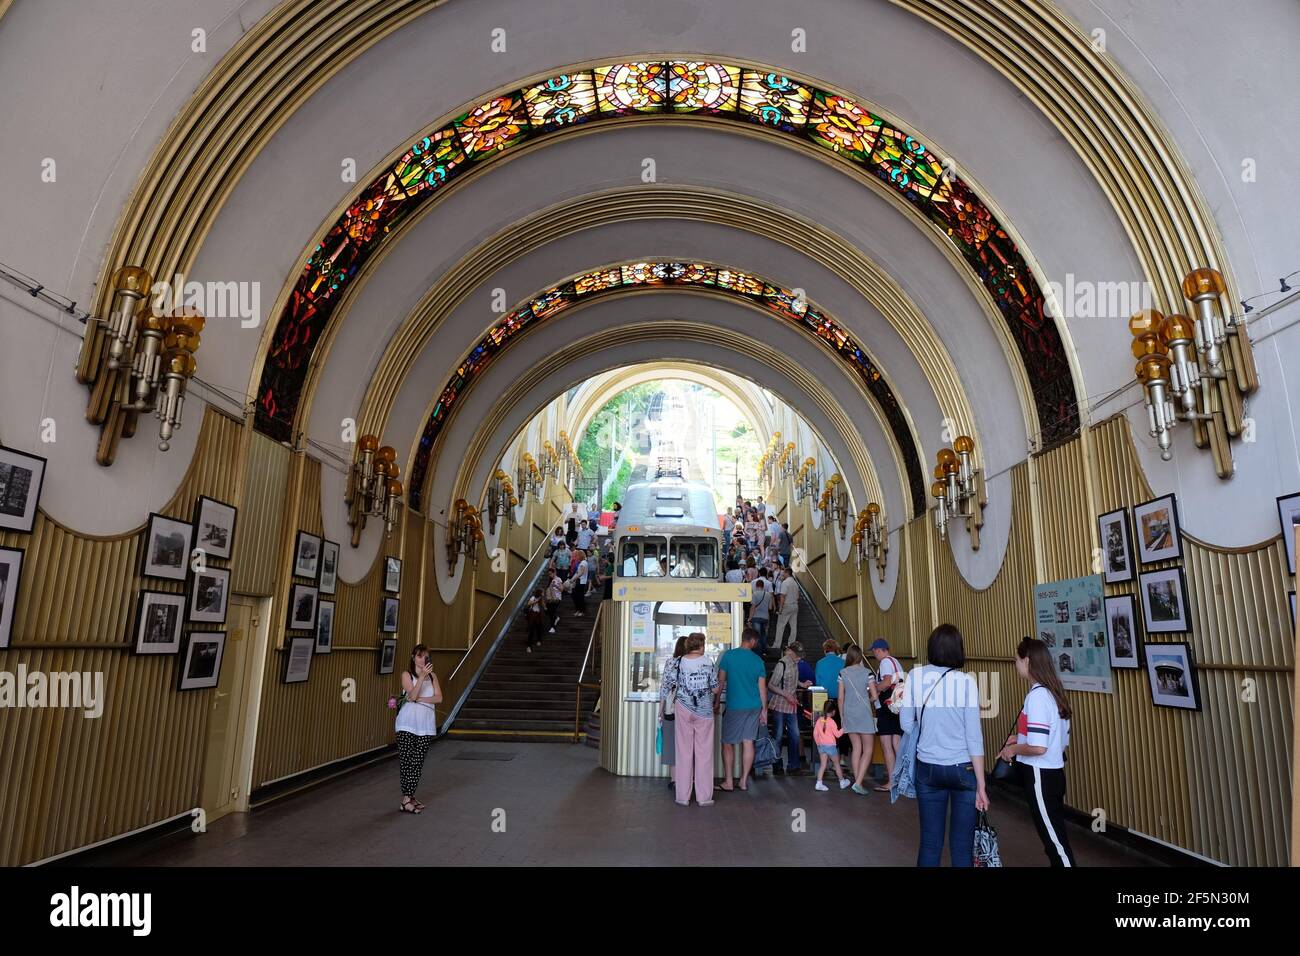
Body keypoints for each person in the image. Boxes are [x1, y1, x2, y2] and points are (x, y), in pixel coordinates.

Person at [900, 624, 989, 867]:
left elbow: (906, 722)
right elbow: (974, 736)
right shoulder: (966, 682)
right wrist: (981, 783)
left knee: (930, 843)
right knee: (961, 848)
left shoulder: (915, 676)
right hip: (963, 770)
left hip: (927, 768)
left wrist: (927, 730)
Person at [999, 637, 1076, 867]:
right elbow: (1055, 740)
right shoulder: (1053, 693)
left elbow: (1039, 747)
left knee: (1055, 844)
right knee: (1054, 838)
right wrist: (1020, 738)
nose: (1015, 664)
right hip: (1054, 773)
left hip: (1041, 776)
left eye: (1017, 660)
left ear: (1027, 660)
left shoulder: (1037, 697)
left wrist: (1012, 748)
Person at [660, 632, 719, 806]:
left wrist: (660, 709)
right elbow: (715, 689)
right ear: (701, 645)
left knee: (683, 752)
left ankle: (682, 797)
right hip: (704, 712)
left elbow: (665, 687)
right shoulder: (708, 663)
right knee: (704, 754)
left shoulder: (675, 662)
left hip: (683, 710)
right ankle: (704, 797)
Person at [717, 627, 768, 792]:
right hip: (754, 706)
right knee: (748, 742)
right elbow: (762, 689)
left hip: (735, 706)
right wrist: (764, 711)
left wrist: (716, 701)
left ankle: (729, 781)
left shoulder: (729, 656)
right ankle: (744, 781)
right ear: (752, 641)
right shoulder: (758, 661)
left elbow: (721, 681)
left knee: (727, 743)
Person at [395, 644, 442, 814]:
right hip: (407, 724)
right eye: (420, 656)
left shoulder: (433, 676)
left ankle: (409, 798)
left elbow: (439, 698)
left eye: (426, 657)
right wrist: (421, 677)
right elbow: (411, 695)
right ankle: (407, 799)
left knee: (418, 763)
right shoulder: (406, 675)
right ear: (413, 657)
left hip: (425, 726)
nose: (423, 660)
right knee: (407, 763)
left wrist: (420, 698)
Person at [838, 644, 878, 794]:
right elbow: (874, 696)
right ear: (860, 656)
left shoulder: (842, 673)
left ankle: (858, 781)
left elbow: (840, 698)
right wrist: (868, 699)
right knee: (868, 749)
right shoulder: (867, 672)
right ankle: (859, 782)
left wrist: (842, 716)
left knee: (856, 748)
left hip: (849, 713)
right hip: (864, 713)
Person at [869, 638, 904, 791]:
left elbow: (887, 682)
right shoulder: (896, 661)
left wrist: (874, 688)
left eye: (874, 651)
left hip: (886, 706)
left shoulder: (884, 663)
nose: (874, 654)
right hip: (897, 706)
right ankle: (902, 780)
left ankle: (891, 782)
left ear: (879, 650)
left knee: (886, 745)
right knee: (897, 744)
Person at [768, 643, 804, 775]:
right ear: (790, 652)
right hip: (780, 704)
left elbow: (791, 678)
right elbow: (771, 685)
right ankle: (777, 765)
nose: (799, 658)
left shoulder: (794, 663)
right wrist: (786, 694)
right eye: (797, 655)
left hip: (791, 704)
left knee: (795, 734)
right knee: (777, 735)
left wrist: (801, 684)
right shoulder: (781, 664)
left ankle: (793, 765)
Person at [658, 636, 687, 791]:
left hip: (672, 709)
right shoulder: (693, 663)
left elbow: (664, 687)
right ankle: (689, 778)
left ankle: (674, 780)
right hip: (689, 710)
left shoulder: (670, 662)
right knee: (688, 745)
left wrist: (660, 710)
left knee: (671, 745)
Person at [813, 699, 851, 791]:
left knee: (823, 765)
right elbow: (837, 734)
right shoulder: (832, 722)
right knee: (837, 764)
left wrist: (818, 744)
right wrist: (844, 728)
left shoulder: (819, 720)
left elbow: (815, 734)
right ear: (833, 711)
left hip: (821, 746)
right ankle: (842, 782)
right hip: (831, 747)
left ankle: (819, 783)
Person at [774, 567, 799, 652]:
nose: (782, 574)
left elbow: (782, 596)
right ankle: (791, 644)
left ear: (787, 573)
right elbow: (798, 596)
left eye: (783, 573)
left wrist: (780, 608)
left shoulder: (785, 583)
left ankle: (777, 645)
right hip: (795, 605)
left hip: (787, 606)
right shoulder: (795, 583)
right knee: (793, 626)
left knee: (780, 626)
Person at [747, 578, 772, 655]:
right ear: (763, 586)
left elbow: (753, 607)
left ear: (756, 585)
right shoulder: (768, 594)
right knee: (763, 635)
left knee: (757, 635)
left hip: (756, 617)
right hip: (765, 618)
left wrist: (750, 618)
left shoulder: (754, 594)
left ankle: (758, 652)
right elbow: (770, 607)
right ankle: (764, 650)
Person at [568, 548, 589, 617]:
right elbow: (578, 572)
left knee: (579, 597)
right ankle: (579, 610)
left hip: (581, 582)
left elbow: (580, 573)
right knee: (576, 596)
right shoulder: (583, 562)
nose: (576, 557)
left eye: (577, 555)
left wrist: (572, 579)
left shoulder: (583, 563)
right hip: (579, 581)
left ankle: (581, 611)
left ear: (580, 555)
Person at [524, 588, 546, 653]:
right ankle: (528, 646)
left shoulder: (541, 599)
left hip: (538, 615)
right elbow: (528, 604)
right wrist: (536, 600)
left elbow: (544, 606)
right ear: (539, 593)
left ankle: (539, 640)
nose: (543, 594)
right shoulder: (533, 597)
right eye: (542, 592)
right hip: (532, 615)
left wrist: (544, 605)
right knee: (532, 630)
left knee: (539, 628)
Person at [544, 568, 563, 633]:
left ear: (554, 572)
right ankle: (556, 617)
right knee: (546, 611)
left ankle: (553, 628)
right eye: (549, 574)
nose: (550, 575)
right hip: (550, 599)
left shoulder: (558, 579)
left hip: (556, 598)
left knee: (551, 611)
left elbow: (562, 589)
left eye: (550, 574)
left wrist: (555, 585)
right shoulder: (550, 580)